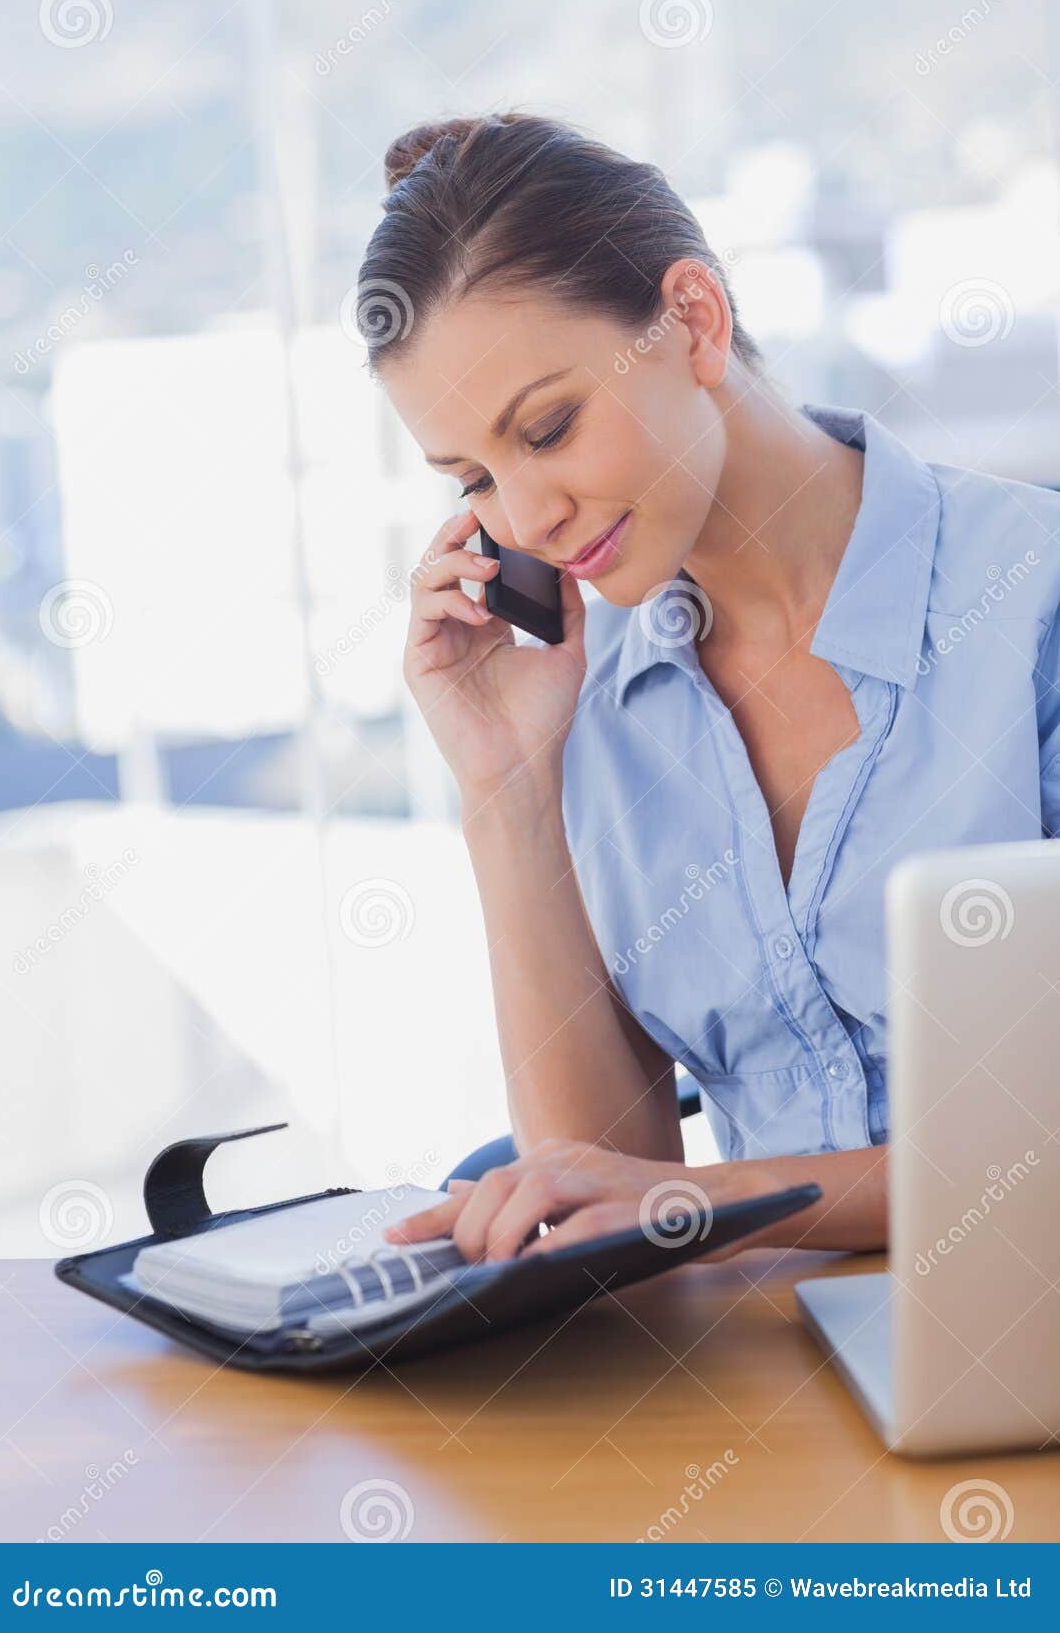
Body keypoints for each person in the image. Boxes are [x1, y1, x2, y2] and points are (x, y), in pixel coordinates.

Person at [353, 112, 1060, 1265]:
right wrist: (508, 785)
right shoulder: (588, 694)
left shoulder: (1027, 601)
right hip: (755, 1380)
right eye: (475, 476)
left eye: (549, 427)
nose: (523, 519)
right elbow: (599, 1182)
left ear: (691, 320)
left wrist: (716, 1201)